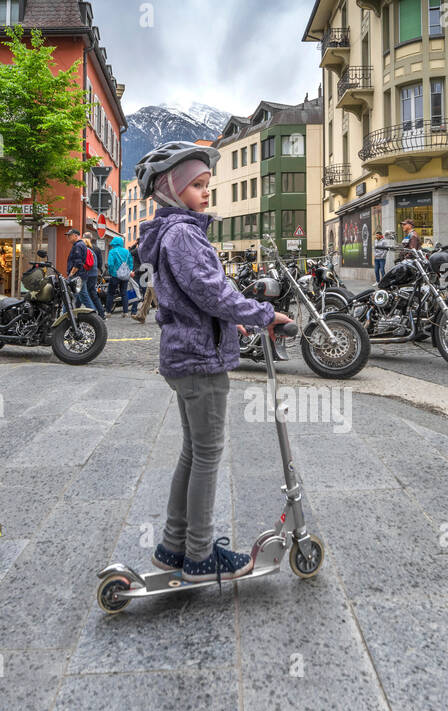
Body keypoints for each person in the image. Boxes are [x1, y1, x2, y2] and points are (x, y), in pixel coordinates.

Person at [135, 140, 292, 582]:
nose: (207, 192)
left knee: (193, 452)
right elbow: (211, 290)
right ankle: (200, 554)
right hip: (199, 360)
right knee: (207, 453)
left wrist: (232, 323)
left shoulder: (171, 231)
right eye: (197, 185)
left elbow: (197, 296)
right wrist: (262, 314)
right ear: (170, 187)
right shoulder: (184, 233)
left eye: (208, 184)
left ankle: (173, 547)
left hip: (186, 353)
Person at [66, 227, 104, 318]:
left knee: (72, 296)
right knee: (82, 295)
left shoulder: (78, 246)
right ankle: (94, 315)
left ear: (76, 236)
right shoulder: (84, 246)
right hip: (86, 274)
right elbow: (99, 262)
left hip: (78, 275)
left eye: (69, 236)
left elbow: (78, 262)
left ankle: (68, 315)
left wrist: (71, 274)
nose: (68, 238)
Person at [105, 234, 135, 316]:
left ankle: (108, 312)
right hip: (125, 275)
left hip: (115, 275)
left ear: (114, 243)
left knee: (111, 293)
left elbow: (110, 264)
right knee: (124, 293)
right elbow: (131, 263)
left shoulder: (112, 251)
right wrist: (128, 271)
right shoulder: (127, 251)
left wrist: (112, 272)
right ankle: (125, 312)